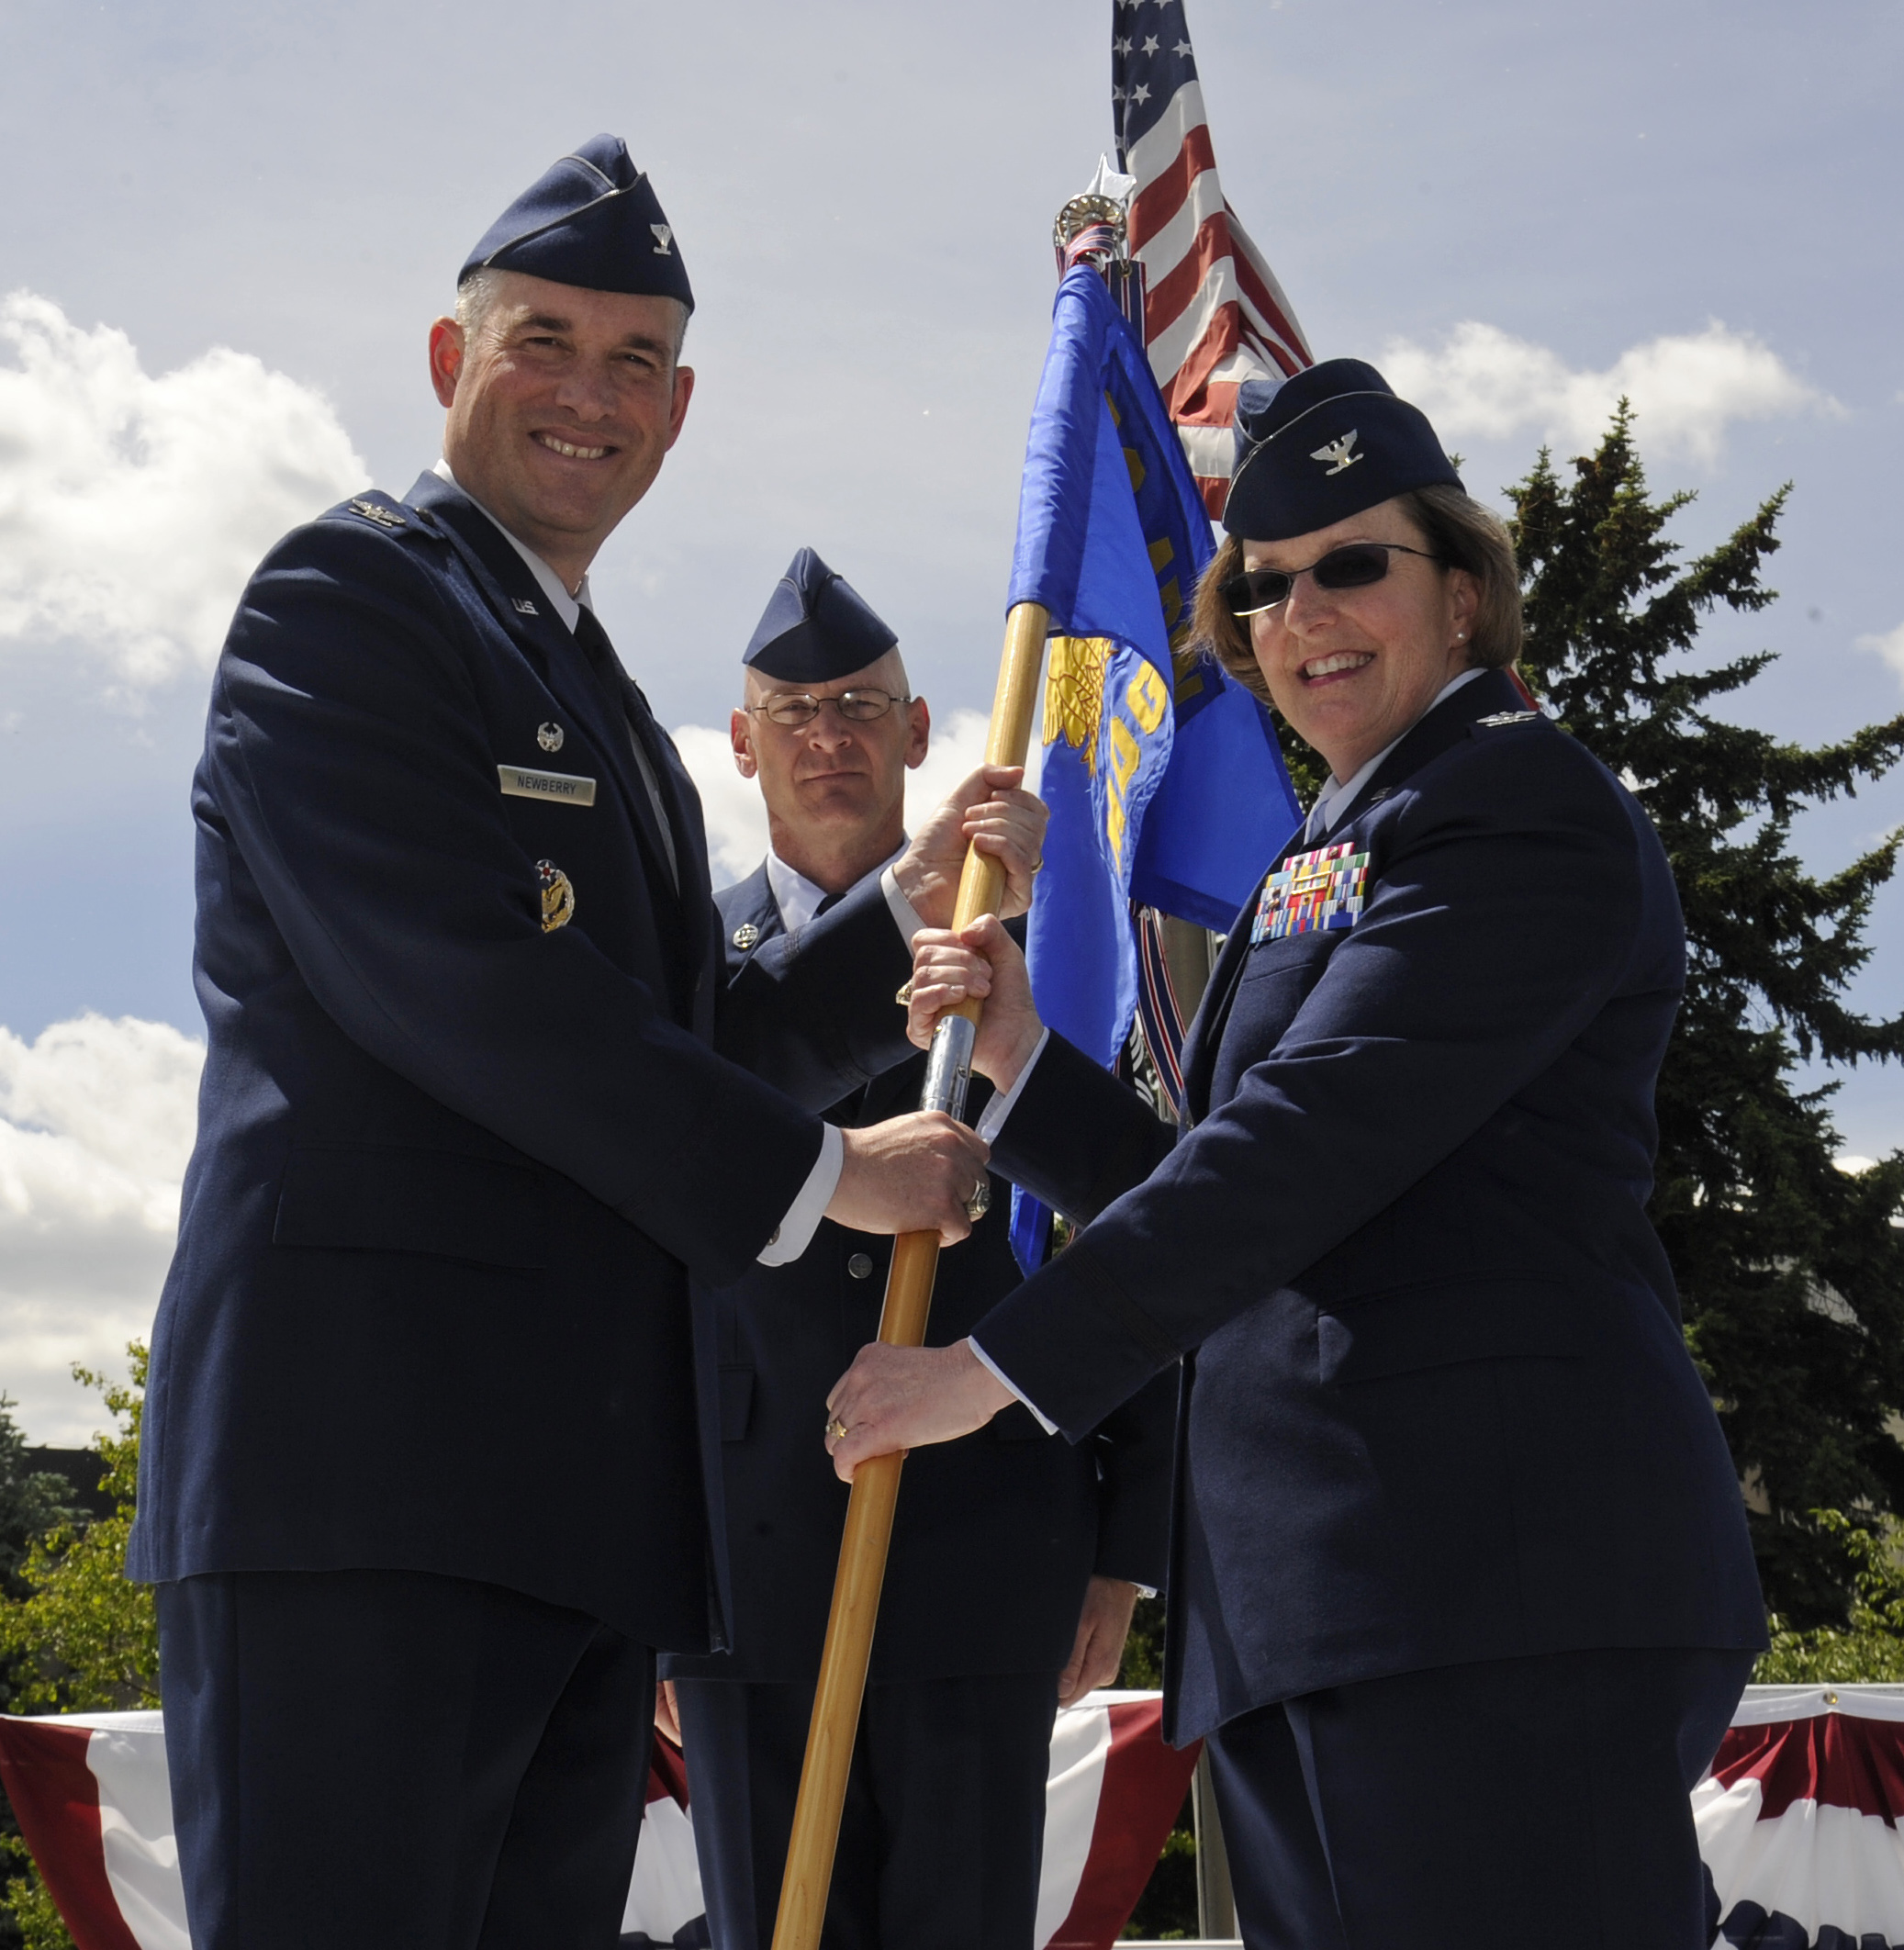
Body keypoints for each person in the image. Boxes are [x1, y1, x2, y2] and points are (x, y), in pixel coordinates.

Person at [126, 137, 1036, 1950]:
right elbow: (468, 996)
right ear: (451, 363)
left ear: (678, 408)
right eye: (543, 340)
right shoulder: (351, 602)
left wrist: (903, 909)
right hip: (367, 1486)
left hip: (574, 1517)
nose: (587, 395)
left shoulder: (590, 694)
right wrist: (824, 1176)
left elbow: (682, 1031)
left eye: (635, 362)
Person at [824, 359, 1770, 1949]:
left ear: (1463, 596)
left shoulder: (1513, 804)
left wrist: (991, 1368)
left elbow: (1310, 1144)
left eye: (1353, 566)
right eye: (1263, 589)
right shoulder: (1325, 848)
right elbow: (1230, 1193)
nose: (1303, 615)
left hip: (1490, 1585)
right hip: (1311, 1602)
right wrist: (1020, 1064)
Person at [656, 549, 1176, 1950]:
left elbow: (1149, 1236)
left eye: (861, 707)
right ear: (741, 744)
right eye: (795, 710)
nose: (829, 738)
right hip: (738, 1563)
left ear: (923, 731)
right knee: (778, 1924)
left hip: (988, 1541)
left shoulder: (1035, 955)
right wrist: (645, 1588)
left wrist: (1125, 1548)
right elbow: (625, 1283)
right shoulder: (670, 979)